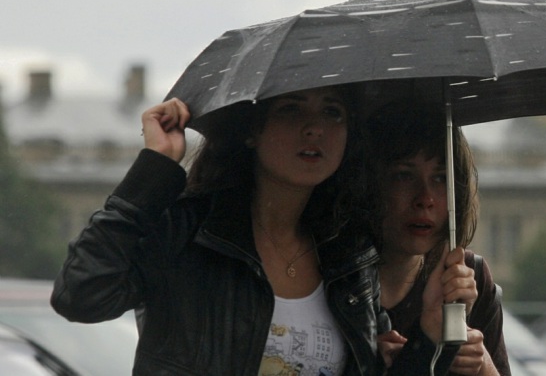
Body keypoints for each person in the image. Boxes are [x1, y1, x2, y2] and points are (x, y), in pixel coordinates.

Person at [51, 86, 463, 375]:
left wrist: (431, 334)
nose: (314, 128)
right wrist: (155, 166)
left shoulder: (348, 258)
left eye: (332, 112)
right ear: (252, 129)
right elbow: (81, 295)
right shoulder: (192, 230)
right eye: (291, 109)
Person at [368, 101, 511, 376]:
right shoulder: (337, 279)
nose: (425, 199)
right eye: (404, 176)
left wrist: (482, 363)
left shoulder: (469, 276)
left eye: (440, 178)